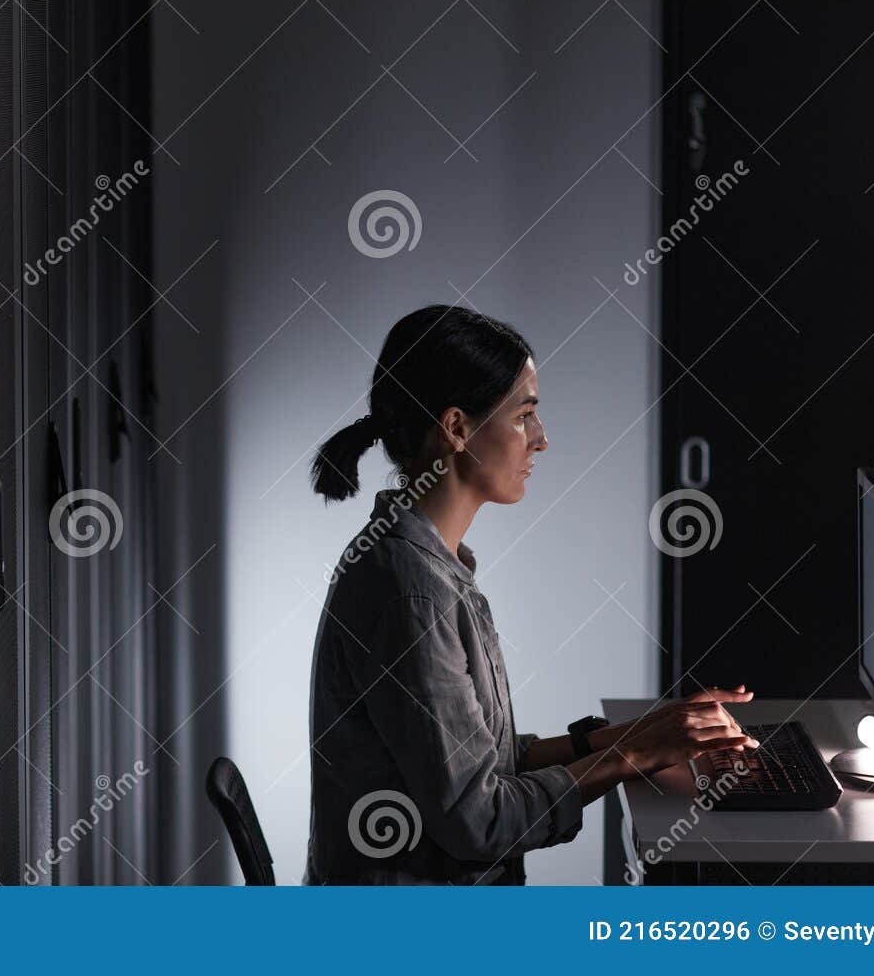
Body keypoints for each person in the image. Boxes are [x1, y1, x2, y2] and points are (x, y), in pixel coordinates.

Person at [303, 304, 754, 884]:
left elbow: (480, 761)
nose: (541, 439)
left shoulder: (426, 566)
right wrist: (633, 757)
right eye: (524, 415)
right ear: (457, 428)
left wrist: (645, 733)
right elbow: (479, 820)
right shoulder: (410, 594)